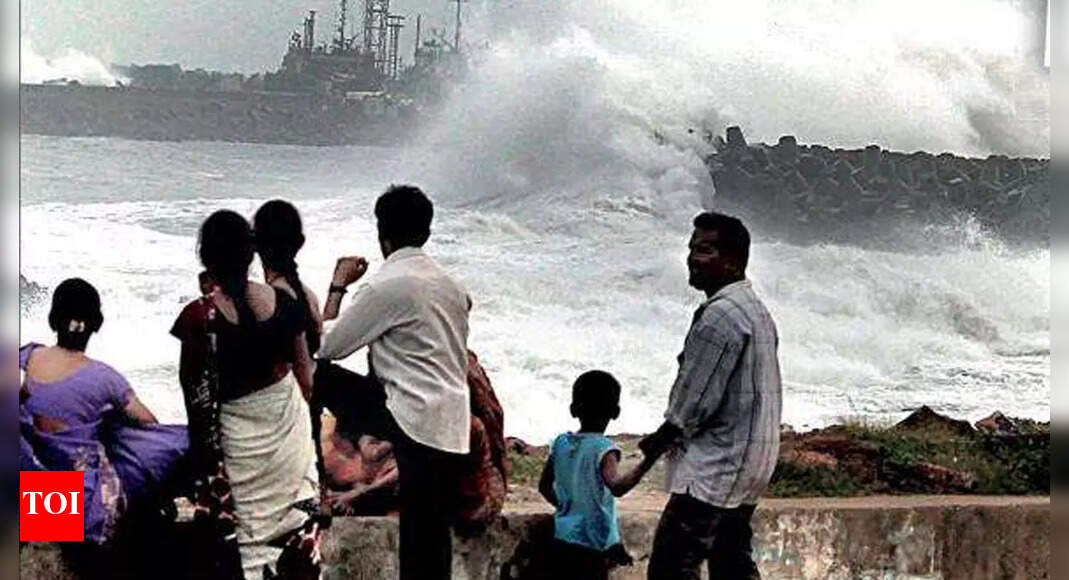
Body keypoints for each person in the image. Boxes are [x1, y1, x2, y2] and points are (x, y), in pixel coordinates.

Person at [317, 184, 471, 580]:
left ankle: (309, 475)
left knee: (318, 377)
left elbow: (328, 346)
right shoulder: (451, 286)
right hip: (452, 422)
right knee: (430, 535)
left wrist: (338, 285)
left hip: (410, 417)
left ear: (382, 233)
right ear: (427, 231)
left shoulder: (387, 284)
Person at [170, 210, 322, 580]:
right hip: (289, 434)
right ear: (250, 253)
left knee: (247, 551)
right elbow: (306, 380)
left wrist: (203, 477)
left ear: (206, 259)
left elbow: (197, 406)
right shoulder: (284, 303)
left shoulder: (199, 318)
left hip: (239, 449)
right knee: (295, 538)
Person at [640, 212, 781, 580]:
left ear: (732, 261)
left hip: (716, 466)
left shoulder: (721, 316)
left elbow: (695, 402)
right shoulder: (756, 311)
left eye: (704, 250)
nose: (691, 258)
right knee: (731, 562)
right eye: (691, 248)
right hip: (751, 462)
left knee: (672, 566)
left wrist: (661, 438)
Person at [19, 278, 188, 575]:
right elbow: (149, 422)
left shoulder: (23, 357)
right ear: (96, 324)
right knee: (164, 445)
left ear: (52, 320)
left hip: (22, 497)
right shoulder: (105, 378)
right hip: (65, 508)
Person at [536, 370, 656, 580]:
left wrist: (567, 508)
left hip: (560, 537)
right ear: (615, 412)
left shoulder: (561, 443)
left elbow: (544, 487)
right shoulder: (604, 449)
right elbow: (617, 487)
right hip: (592, 546)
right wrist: (647, 462)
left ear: (573, 409)